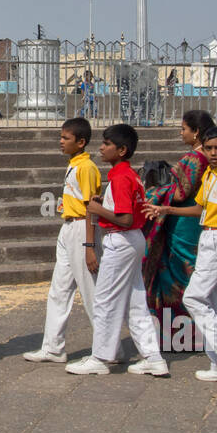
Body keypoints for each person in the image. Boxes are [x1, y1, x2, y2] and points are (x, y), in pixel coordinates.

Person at [145, 126, 217, 384]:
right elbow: (199, 208)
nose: (213, 153)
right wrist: (166, 209)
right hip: (207, 235)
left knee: (194, 298)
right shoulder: (209, 174)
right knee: (213, 302)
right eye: (208, 148)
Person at [72, 124, 168, 376]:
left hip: (121, 239)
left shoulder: (120, 176)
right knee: (135, 301)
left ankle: (101, 357)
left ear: (122, 150)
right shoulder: (129, 175)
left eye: (107, 144)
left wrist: (98, 210)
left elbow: (124, 218)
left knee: (105, 300)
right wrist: (107, 206)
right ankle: (152, 356)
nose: (101, 148)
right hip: (131, 239)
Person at [23, 117, 101, 364]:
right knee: (59, 290)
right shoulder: (74, 165)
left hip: (81, 229)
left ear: (81, 142)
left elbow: (92, 206)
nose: (61, 142)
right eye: (61, 137)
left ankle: (106, 347)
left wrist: (89, 246)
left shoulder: (86, 168)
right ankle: (53, 346)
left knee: (91, 292)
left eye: (65, 138)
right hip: (68, 227)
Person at [142, 109, 214, 351]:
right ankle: (185, 332)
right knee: (186, 270)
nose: (180, 132)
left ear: (195, 133)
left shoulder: (196, 158)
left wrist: (154, 192)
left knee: (178, 272)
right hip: (190, 217)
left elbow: (181, 191)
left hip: (182, 219)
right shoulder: (209, 157)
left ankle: (181, 333)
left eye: (184, 129)